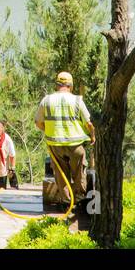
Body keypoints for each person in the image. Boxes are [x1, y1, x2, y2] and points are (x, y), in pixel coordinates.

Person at [35, 71, 95, 209]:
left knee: (61, 174)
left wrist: (50, 130)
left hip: (55, 145)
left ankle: (67, 202)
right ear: (71, 86)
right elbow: (89, 123)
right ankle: (79, 200)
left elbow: (38, 122)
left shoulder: (46, 100)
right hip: (75, 145)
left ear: (57, 85)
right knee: (79, 172)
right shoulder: (77, 101)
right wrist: (92, 136)